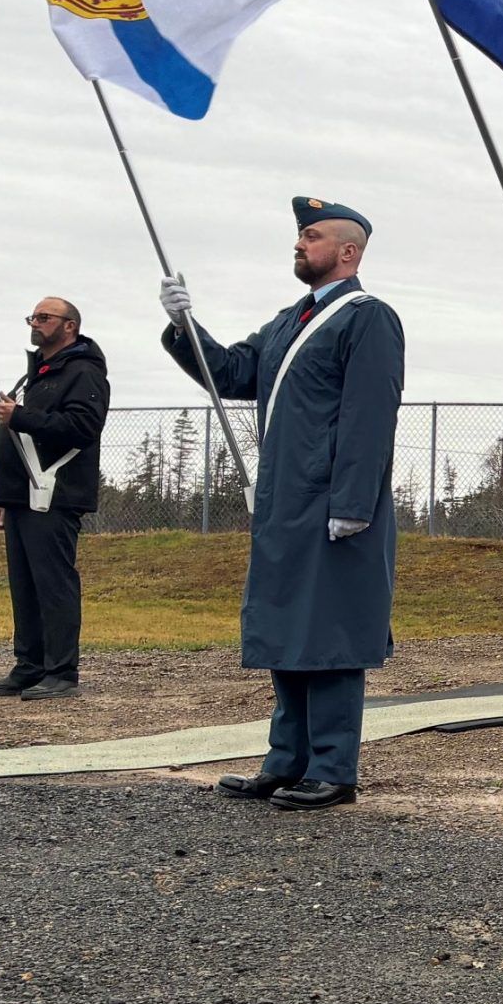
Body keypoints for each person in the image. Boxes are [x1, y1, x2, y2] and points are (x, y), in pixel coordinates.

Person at [159, 198, 404, 810]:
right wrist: (185, 327)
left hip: (334, 504)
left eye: (311, 236)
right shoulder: (288, 321)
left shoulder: (368, 318)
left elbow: (370, 414)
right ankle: (285, 760)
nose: (299, 244)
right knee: (289, 630)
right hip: (284, 502)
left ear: (347, 252)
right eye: (299, 236)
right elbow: (230, 373)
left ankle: (333, 767)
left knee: (332, 633)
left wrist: (353, 502)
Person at [0, 297, 110, 701]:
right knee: (24, 586)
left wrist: (20, 416)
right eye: (33, 317)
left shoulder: (84, 373)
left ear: (70, 326)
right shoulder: (37, 374)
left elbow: (83, 427)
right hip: (23, 496)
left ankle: (61, 671)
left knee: (53, 585)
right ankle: (30, 665)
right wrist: (5, 496)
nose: (35, 323)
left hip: (55, 494)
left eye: (44, 317)